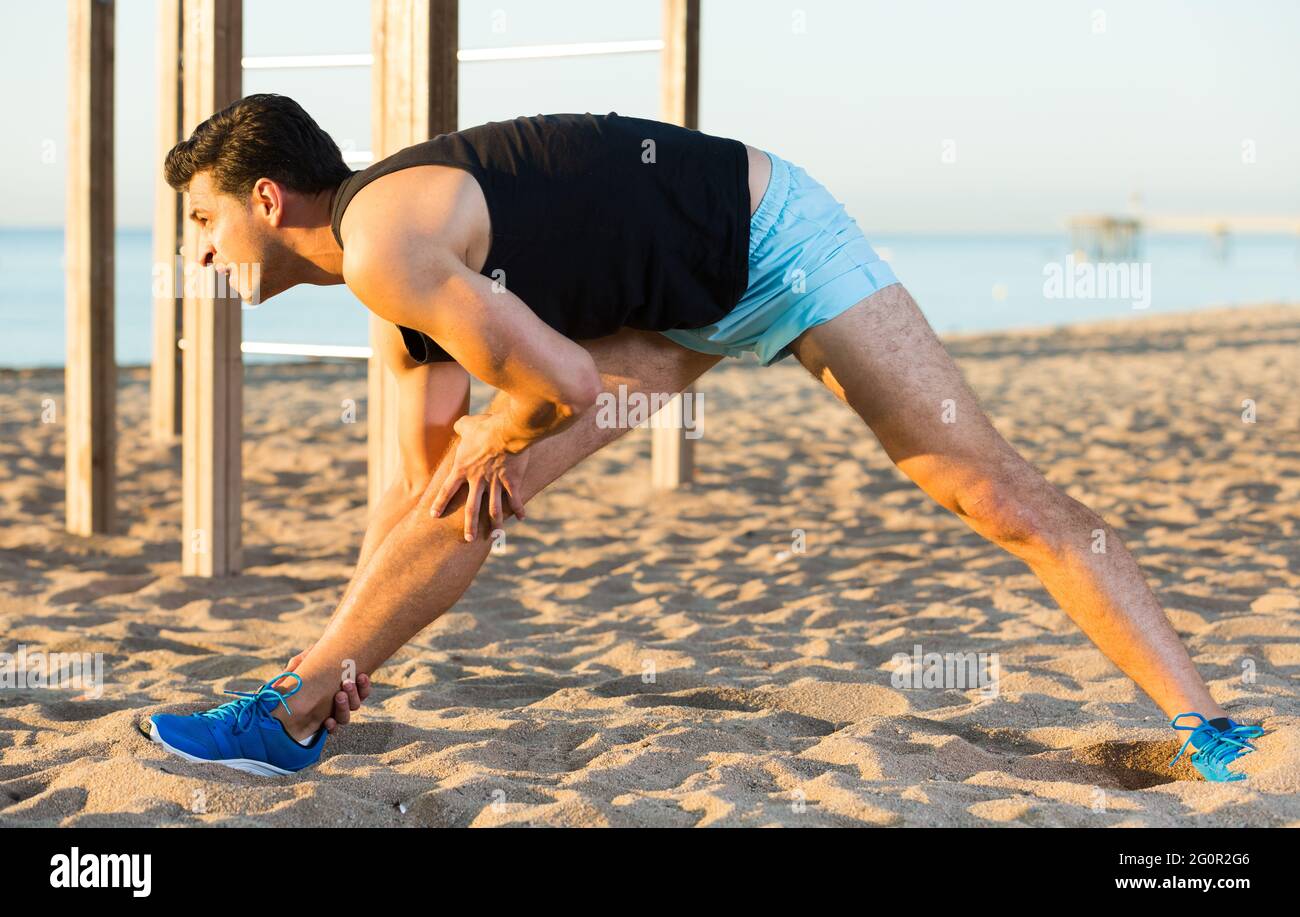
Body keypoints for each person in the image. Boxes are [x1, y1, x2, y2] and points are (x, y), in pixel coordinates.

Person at [143, 93, 1264, 781]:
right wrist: (350, 650)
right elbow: (407, 495)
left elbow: (569, 381)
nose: (196, 255)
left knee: (986, 491)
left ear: (270, 198)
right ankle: (290, 714)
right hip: (669, 299)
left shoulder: (389, 244)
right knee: (462, 490)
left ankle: (1206, 725)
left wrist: (506, 436)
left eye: (203, 220)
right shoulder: (389, 289)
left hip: (771, 240)